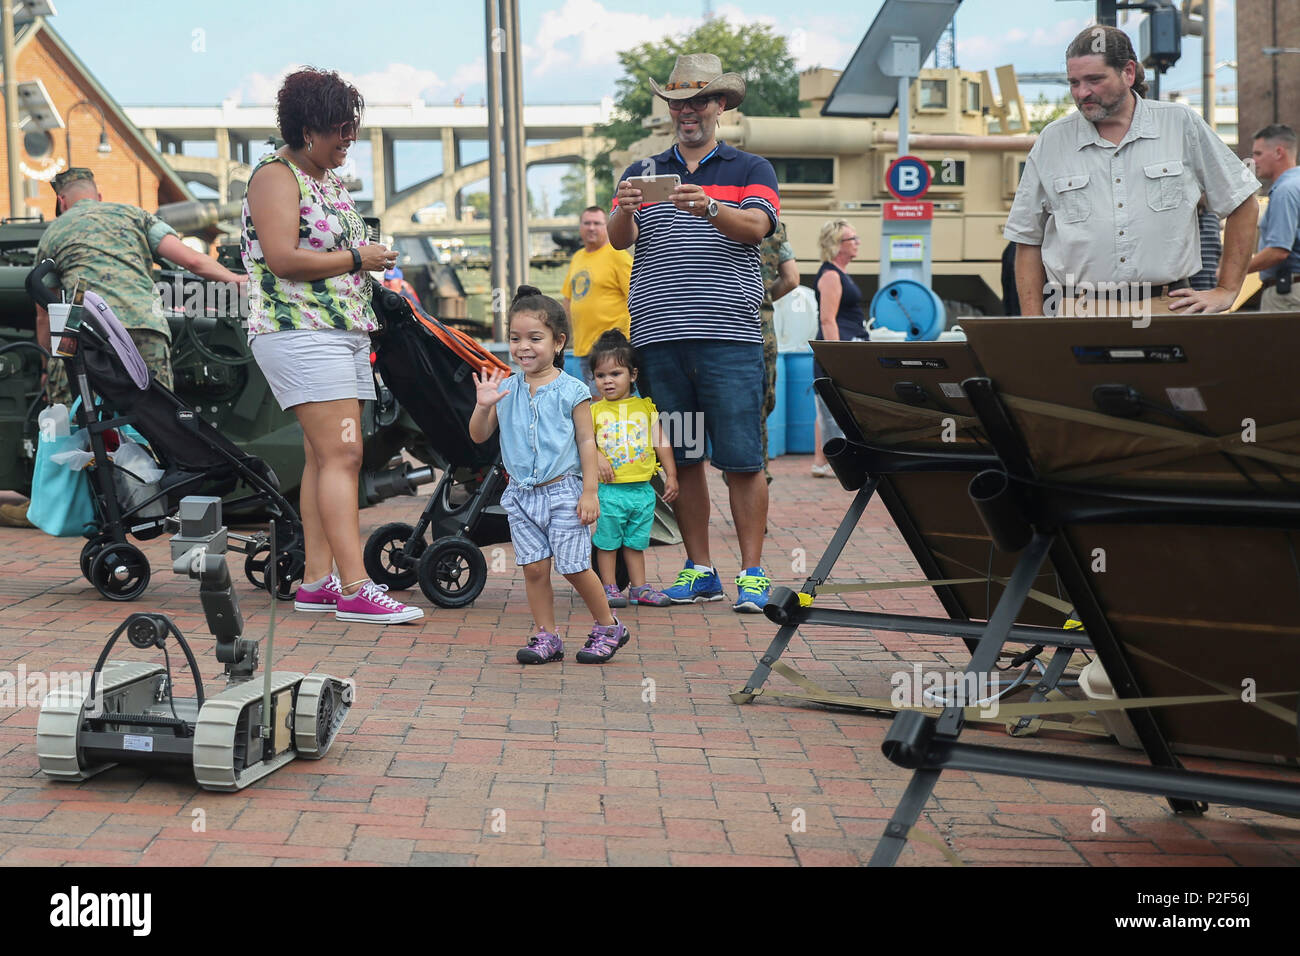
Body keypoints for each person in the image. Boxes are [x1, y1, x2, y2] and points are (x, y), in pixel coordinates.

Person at [243, 67, 422, 625]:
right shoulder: (276, 176)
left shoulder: (328, 178)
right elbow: (281, 258)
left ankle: (318, 580)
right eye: (339, 129)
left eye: (352, 128)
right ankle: (355, 587)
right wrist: (357, 259)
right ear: (307, 127)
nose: (349, 139)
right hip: (298, 329)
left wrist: (364, 258)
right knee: (345, 453)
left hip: (339, 329)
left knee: (325, 456)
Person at [608, 52, 780, 613]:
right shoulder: (641, 171)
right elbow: (617, 239)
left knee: (742, 459)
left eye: (700, 100)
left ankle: (752, 573)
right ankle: (700, 568)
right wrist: (622, 207)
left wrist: (708, 207)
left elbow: (756, 227)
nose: (688, 111)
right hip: (659, 338)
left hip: (729, 337)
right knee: (681, 459)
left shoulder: (750, 169)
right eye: (679, 101)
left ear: (721, 105)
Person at [3, 168, 248, 529]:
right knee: (158, 420)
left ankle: (83, 513)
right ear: (98, 195)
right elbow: (192, 260)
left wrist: (49, 361)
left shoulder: (55, 231)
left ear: (61, 201)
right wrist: (235, 279)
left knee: (80, 427)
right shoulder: (132, 215)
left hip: (84, 335)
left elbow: (45, 309)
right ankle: (161, 505)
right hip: (142, 331)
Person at [1005, 25, 1259, 318]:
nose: (1082, 92)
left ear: (1127, 72)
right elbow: (1027, 239)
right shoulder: (1052, 141)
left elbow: (1243, 202)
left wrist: (1226, 289)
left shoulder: (1181, 125)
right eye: (1074, 82)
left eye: (1094, 79)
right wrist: (1033, 324)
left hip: (1167, 307)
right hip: (1079, 313)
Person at [469, 286, 629, 664]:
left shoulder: (572, 390)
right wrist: (482, 406)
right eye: (515, 338)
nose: (523, 346)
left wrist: (590, 493)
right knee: (535, 569)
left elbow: (587, 444)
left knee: (574, 567)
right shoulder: (505, 388)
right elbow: (479, 436)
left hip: (564, 493)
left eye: (534, 338)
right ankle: (547, 635)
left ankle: (608, 624)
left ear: (558, 342)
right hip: (522, 496)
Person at [587, 329, 679, 607]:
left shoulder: (645, 408)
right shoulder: (594, 411)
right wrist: (597, 457)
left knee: (637, 542)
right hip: (609, 492)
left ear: (633, 375)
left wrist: (671, 474)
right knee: (607, 542)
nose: (608, 381)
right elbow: (582, 442)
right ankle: (609, 587)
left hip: (642, 490)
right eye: (601, 376)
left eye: (615, 374)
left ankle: (639, 588)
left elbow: (661, 441)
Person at [811, 219, 867, 478]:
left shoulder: (840, 273)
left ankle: (821, 462)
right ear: (837, 245)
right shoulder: (831, 275)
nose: (857, 243)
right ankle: (832, 461)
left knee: (829, 408)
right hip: (837, 350)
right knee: (833, 409)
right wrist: (836, 358)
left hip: (849, 346)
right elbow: (827, 319)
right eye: (852, 239)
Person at [561, 206, 632, 396]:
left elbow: (634, 296)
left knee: (611, 409)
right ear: (580, 228)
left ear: (607, 226)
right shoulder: (578, 257)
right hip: (583, 349)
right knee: (593, 410)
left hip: (612, 351)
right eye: (587, 223)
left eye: (597, 223)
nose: (591, 228)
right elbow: (568, 299)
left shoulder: (617, 255)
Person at [758, 220, 799, 480]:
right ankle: (754, 511)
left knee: (687, 425)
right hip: (758, 333)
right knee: (755, 418)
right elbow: (792, 279)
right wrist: (763, 299)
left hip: (694, 330)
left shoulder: (701, 211)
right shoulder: (772, 225)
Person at [1245, 125, 1300, 311]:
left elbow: (1278, 250)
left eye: (1258, 154)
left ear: (1278, 152)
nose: (1254, 160)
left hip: (1288, 295)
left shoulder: (1285, 191)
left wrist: (1233, 270)